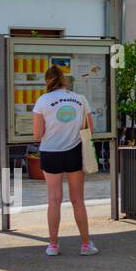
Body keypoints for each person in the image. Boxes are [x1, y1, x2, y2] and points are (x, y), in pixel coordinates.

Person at [32, 64, 97, 257]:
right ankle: (86, 244)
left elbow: (37, 134)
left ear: (47, 81)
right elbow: (90, 130)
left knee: (54, 199)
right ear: (64, 80)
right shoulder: (80, 99)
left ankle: (53, 245)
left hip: (50, 152)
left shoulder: (42, 101)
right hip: (75, 151)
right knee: (78, 199)